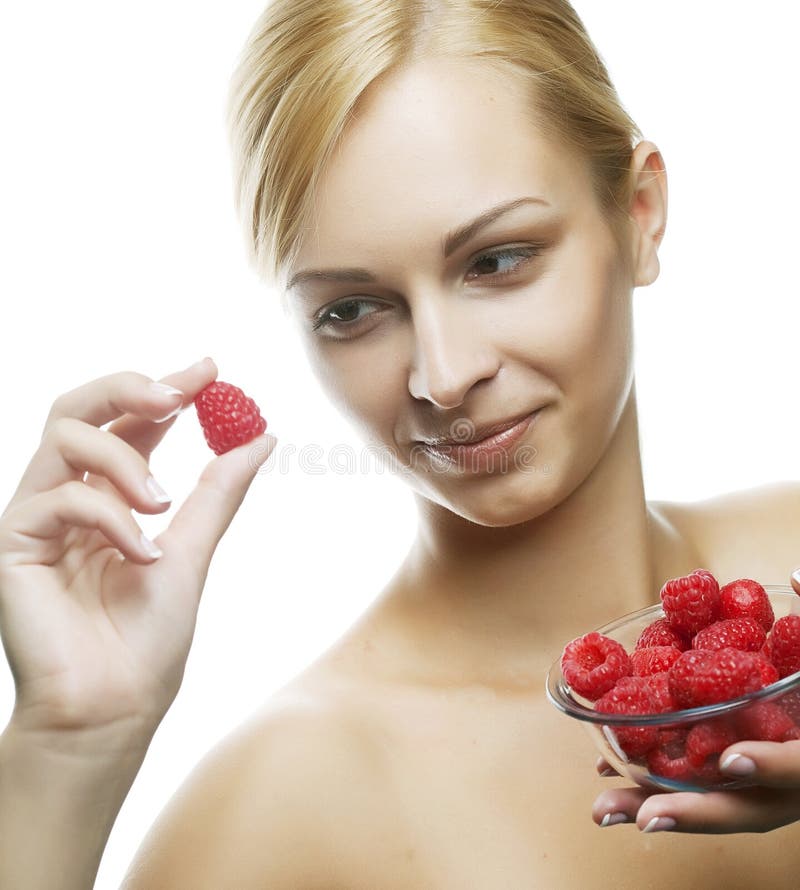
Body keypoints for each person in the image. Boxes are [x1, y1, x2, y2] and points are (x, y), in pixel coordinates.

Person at [2, 1, 800, 887]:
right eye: (351, 310)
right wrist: (69, 750)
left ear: (641, 213)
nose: (444, 375)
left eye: (497, 261)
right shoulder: (278, 813)